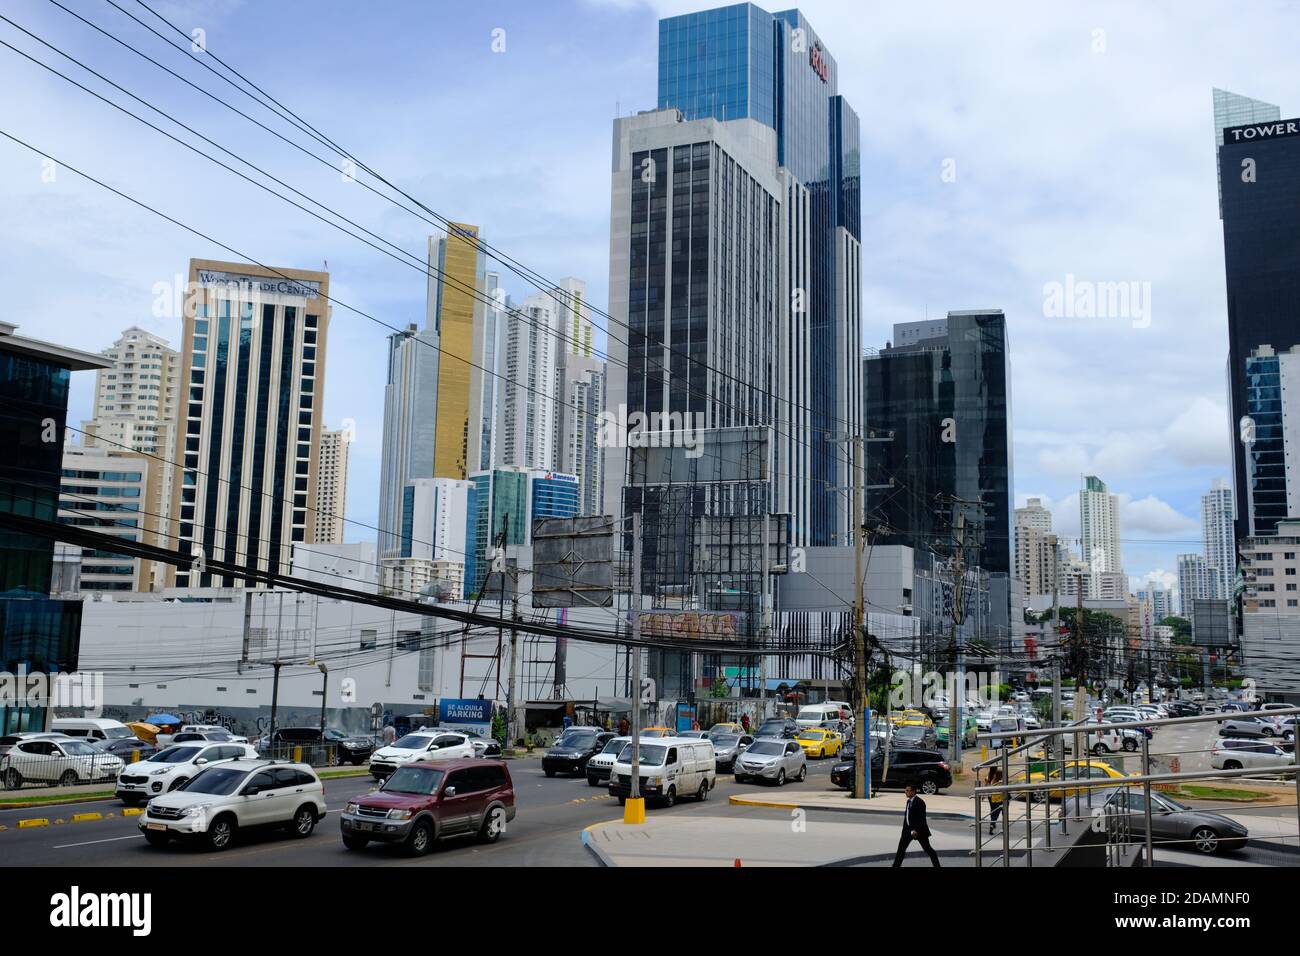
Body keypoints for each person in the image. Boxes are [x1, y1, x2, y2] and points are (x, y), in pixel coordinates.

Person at [892, 784, 941, 867]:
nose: (905, 792)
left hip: (919, 831)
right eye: (905, 790)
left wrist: (916, 830)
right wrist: (904, 830)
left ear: (913, 792)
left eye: (908, 790)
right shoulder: (908, 801)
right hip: (907, 831)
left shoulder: (920, 802)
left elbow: (922, 819)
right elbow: (907, 816)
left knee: (928, 849)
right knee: (901, 850)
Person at [984, 765, 1005, 835]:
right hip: (1000, 798)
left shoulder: (989, 777)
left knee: (993, 811)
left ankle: (992, 823)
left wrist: (983, 795)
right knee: (1003, 813)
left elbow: (986, 786)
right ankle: (1003, 828)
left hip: (991, 797)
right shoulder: (1001, 780)